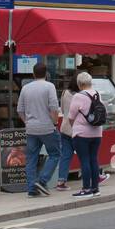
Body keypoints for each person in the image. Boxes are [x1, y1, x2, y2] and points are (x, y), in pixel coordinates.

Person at [16, 63, 61, 198]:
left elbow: (19, 110)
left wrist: (27, 122)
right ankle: (42, 180)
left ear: (33, 74)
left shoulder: (25, 88)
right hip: (47, 127)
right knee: (55, 154)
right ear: (46, 74)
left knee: (31, 159)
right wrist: (55, 122)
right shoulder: (49, 86)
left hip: (31, 129)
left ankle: (31, 189)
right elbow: (54, 107)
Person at [68, 71, 104, 198]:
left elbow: (71, 116)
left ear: (79, 83)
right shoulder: (97, 94)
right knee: (94, 159)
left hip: (82, 134)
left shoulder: (78, 96)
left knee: (84, 161)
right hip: (97, 132)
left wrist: (74, 128)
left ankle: (86, 189)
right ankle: (95, 189)